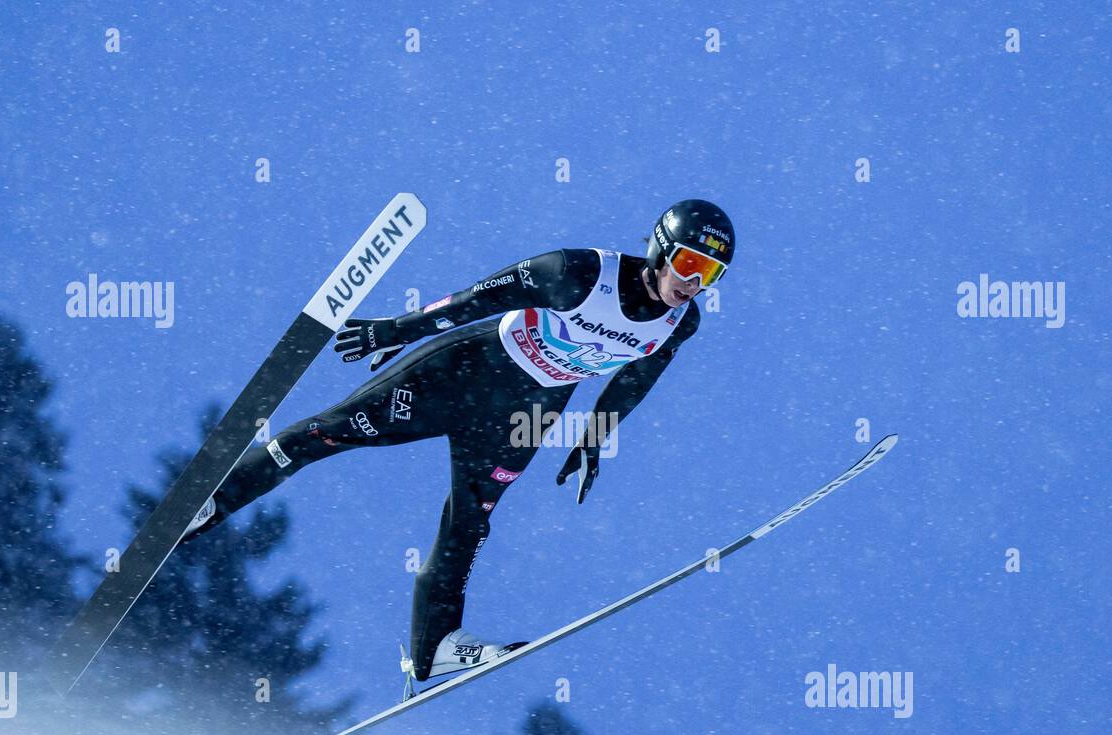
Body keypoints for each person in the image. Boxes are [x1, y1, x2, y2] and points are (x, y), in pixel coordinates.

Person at [182, 199, 735, 685]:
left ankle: (437, 647)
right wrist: (399, 329)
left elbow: (635, 377)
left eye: (709, 274)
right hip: (465, 372)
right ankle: (213, 501)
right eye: (688, 263)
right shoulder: (578, 272)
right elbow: (477, 298)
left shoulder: (680, 323)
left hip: (529, 412)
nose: (693, 282)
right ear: (661, 250)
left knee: (472, 519)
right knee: (331, 433)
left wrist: (595, 435)